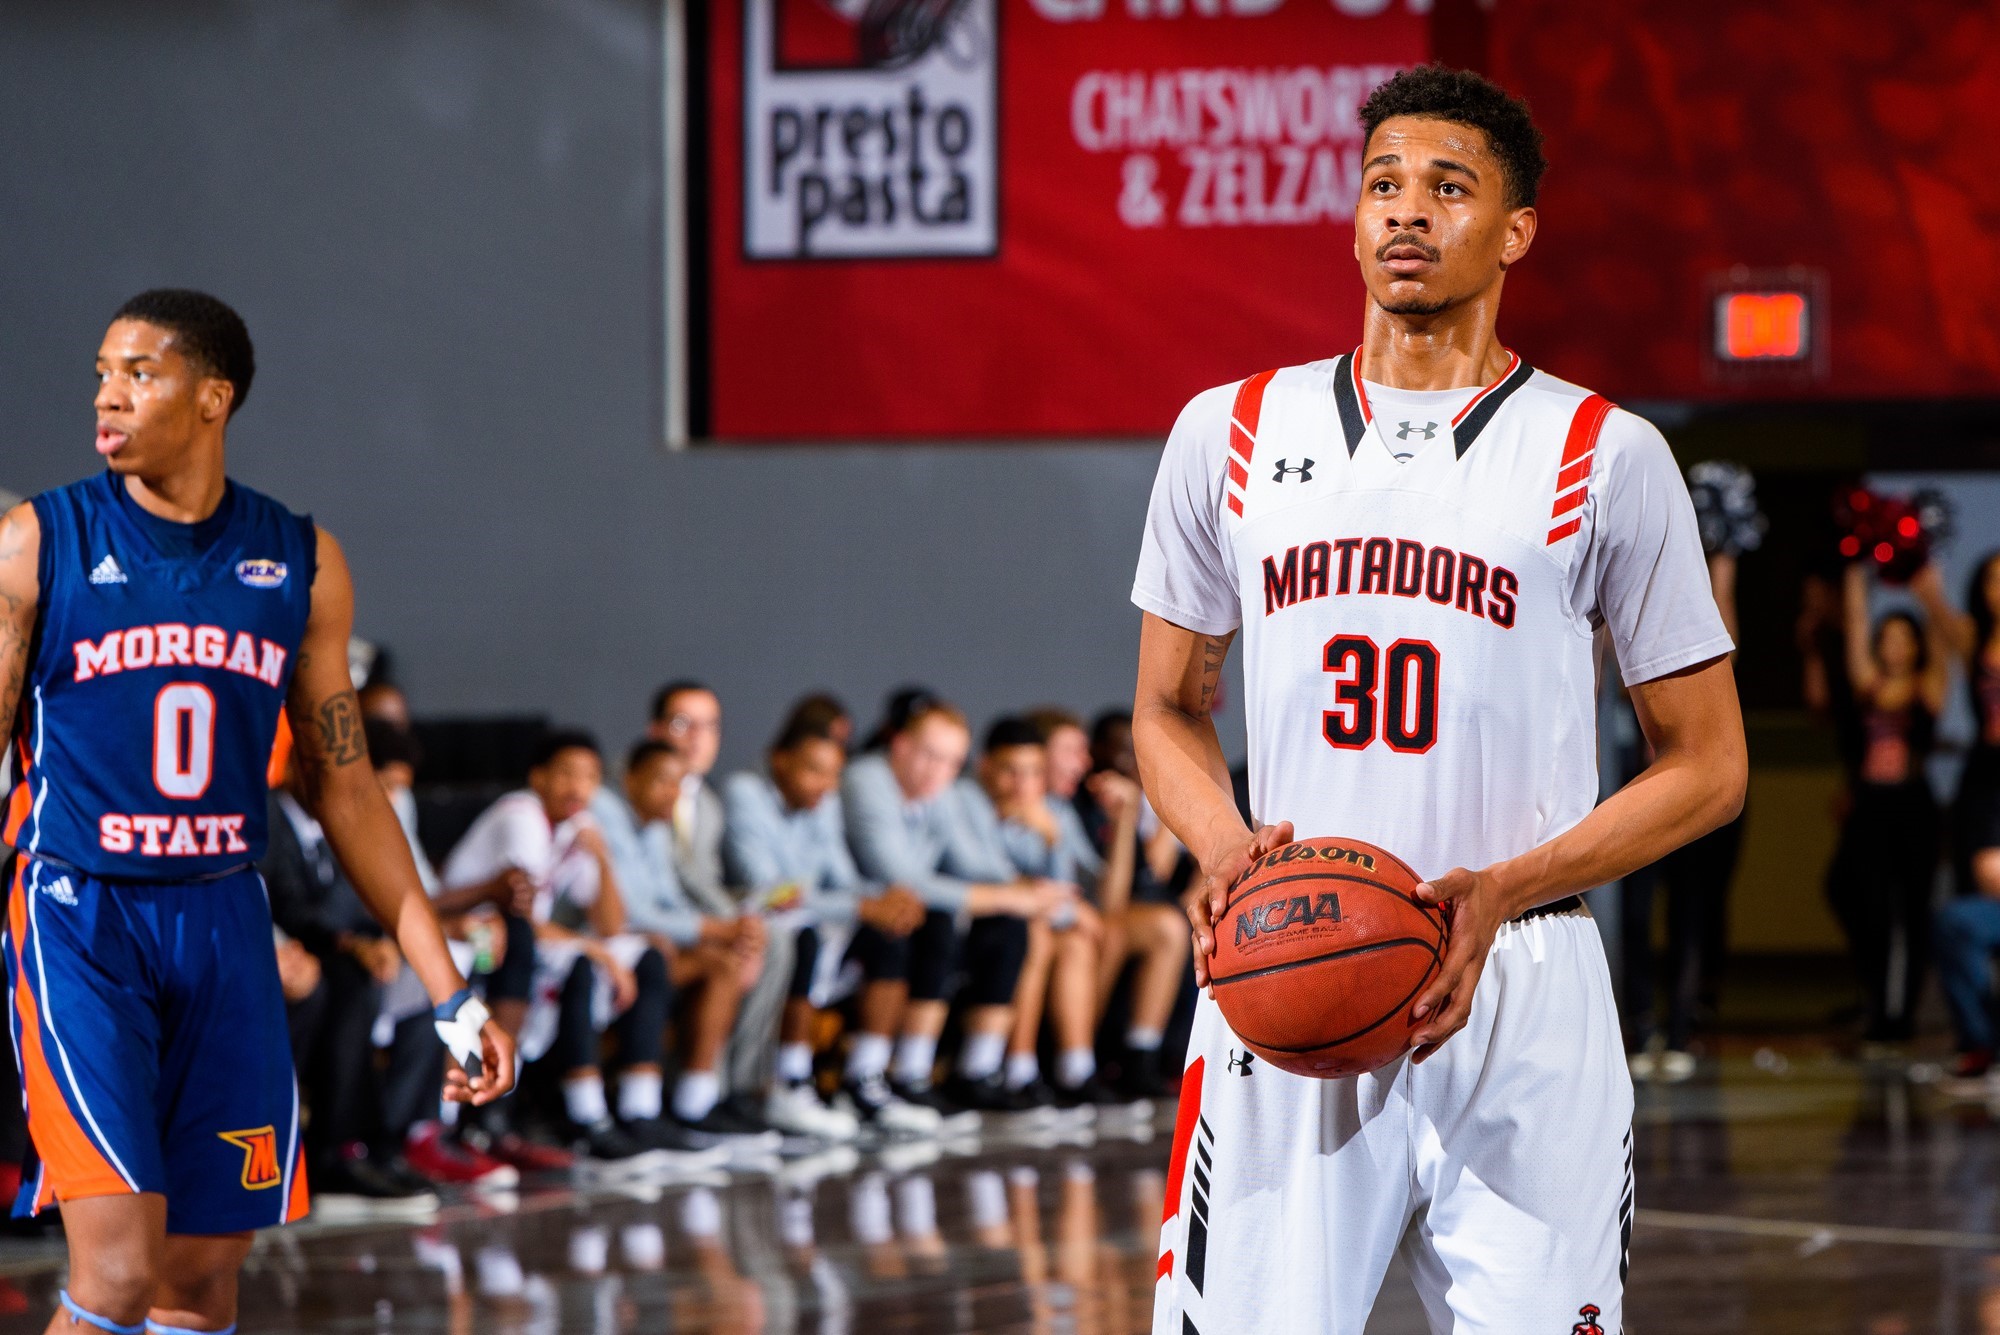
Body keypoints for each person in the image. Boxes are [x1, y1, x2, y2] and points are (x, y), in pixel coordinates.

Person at [1135, 69, 1745, 1332]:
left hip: (1520, 974)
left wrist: (1505, 885)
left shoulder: (1603, 453)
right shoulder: (1229, 430)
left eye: (1445, 188)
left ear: (1514, 230)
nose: (1404, 213)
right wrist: (1220, 848)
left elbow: (1706, 764)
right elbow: (1165, 706)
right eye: (1381, 185)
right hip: (1287, 959)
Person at [0, 289, 511, 1335]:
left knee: (200, 1276)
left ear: (212, 397)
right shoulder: (33, 545)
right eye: (102, 370)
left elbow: (347, 787)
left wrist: (448, 990)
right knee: (115, 1270)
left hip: (226, 918)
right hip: (77, 913)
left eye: (140, 373)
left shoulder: (301, 563)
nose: (108, 394)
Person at [440, 732, 677, 1167]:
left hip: (515, 941)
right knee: (577, 961)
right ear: (539, 777)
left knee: (639, 955)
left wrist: (602, 859)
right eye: (567, 774)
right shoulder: (522, 814)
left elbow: (610, 924)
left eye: (590, 777)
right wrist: (598, 951)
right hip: (461, 935)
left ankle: (627, 1111)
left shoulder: (578, 826)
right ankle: (523, 1115)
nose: (578, 787)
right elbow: (522, 915)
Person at [842, 698, 1073, 1119]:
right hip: (850, 915)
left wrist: (1028, 890)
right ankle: (875, 1076)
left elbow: (971, 864)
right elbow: (900, 877)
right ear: (900, 746)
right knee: (929, 921)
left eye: (951, 761)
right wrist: (1011, 894)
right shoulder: (867, 779)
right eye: (931, 755)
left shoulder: (941, 791)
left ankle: (966, 1073)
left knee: (1004, 925)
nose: (939, 770)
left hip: (916, 913)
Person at [721, 701, 932, 1135]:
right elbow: (769, 891)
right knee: (805, 936)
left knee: (889, 935)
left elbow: (844, 878)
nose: (826, 785)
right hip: (758, 922)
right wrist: (858, 905)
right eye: (814, 770)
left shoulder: (825, 802)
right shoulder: (745, 791)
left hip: (818, 918)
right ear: (779, 760)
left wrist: (885, 900)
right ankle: (790, 1082)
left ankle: (864, 1082)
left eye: (835, 774)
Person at [261, 752, 436, 1211]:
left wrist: (373, 941)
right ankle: (333, 1150)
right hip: (279, 952)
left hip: (331, 951)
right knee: (342, 986)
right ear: (299, 767)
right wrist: (347, 945)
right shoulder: (268, 813)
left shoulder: (337, 821)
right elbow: (287, 907)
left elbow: (366, 897)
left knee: (410, 982)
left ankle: (384, 1139)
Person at [587, 739, 782, 1148]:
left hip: (644, 947)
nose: (671, 794)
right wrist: (711, 929)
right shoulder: (604, 812)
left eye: (679, 784)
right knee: (669, 957)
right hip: (590, 948)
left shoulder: (657, 827)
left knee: (723, 962)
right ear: (629, 779)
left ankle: (696, 1104)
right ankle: (636, 1109)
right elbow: (631, 913)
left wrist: (730, 929)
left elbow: (669, 900)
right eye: (661, 781)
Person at [1622, 546, 1750, 1079]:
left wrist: (1722, 565)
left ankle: (1678, 1031)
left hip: (1691, 790)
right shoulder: (1627, 607)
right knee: (1633, 914)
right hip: (1634, 785)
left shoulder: (1700, 627)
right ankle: (1640, 1028)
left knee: (1690, 915)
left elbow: (1726, 647)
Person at [962, 717, 1114, 1110]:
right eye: (1012, 771)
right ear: (986, 767)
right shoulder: (968, 802)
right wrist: (1060, 903)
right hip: (973, 922)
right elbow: (989, 877)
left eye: (1032, 772)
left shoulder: (1047, 812)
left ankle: (1076, 1070)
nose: (1022, 783)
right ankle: (1017, 1070)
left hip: (1020, 918)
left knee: (1076, 943)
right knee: (1038, 933)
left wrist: (1050, 841)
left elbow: (1067, 887)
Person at [1823, 564, 1945, 1047]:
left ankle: (1905, 1018)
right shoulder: (1868, 683)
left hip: (1914, 806)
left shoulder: (1928, 684)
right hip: (1871, 805)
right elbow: (1855, 626)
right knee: (1872, 909)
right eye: (1887, 637)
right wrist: (1855, 569)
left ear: (1915, 645)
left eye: (1903, 638)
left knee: (1915, 912)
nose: (1895, 646)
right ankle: (1877, 1010)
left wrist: (1929, 587)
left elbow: (1942, 639)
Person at [1046, 709, 1189, 1098]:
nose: (1129, 763)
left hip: (1094, 912)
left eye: (1138, 753)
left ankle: (1140, 1054)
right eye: (1124, 753)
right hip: (1069, 916)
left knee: (1169, 926)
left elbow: (1150, 874)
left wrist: (1139, 805)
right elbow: (1111, 899)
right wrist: (1126, 816)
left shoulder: (1123, 797)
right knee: (1106, 929)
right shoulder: (1074, 802)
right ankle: (1076, 1059)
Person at [1915, 553, 2000, 1083]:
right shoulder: (1973, 639)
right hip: (1984, 781)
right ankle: (1980, 1044)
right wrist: (1925, 574)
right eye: (1993, 577)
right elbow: (1934, 608)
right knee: (1967, 914)